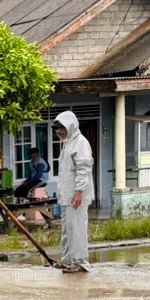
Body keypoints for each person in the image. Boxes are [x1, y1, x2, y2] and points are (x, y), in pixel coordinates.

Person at [52, 111, 94, 273]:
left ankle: (80, 261)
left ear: (71, 126)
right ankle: (68, 259)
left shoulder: (80, 143)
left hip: (77, 196)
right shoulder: (68, 143)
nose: (59, 132)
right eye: (57, 129)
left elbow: (83, 169)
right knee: (68, 228)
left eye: (62, 128)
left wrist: (78, 192)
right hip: (68, 196)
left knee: (76, 228)